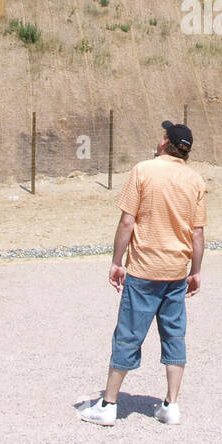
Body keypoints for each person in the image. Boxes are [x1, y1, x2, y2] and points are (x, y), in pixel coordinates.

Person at [81, 121, 206, 427]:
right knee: (175, 335)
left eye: (162, 134)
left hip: (144, 269)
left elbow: (127, 221)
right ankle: (171, 405)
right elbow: (198, 233)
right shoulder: (196, 181)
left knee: (128, 334)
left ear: (165, 142)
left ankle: (109, 404)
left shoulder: (143, 171)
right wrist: (196, 271)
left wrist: (116, 261)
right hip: (176, 272)